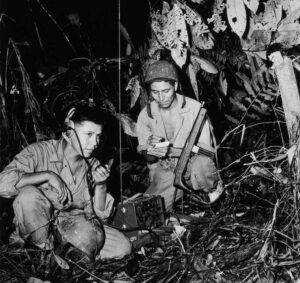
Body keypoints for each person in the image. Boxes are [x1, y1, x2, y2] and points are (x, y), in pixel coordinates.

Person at [0, 102, 131, 260]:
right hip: (39, 224)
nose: (95, 142)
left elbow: (101, 216)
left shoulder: (93, 165)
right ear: (70, 130)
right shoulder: (40, 151)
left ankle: (66, 253)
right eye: (88, 134)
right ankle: (43, 254)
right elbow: (3, 184)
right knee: (28, 195)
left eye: (98, 136)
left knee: (122, 247)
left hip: (74, 224)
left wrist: (101, 185)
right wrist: (48, 175)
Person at [136, 60, 224, 212]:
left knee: (202, 166)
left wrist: (170, 151)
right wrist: (150, 150)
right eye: (155, 92)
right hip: (166, 170)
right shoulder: (146, 114)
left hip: (192, 165)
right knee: (148, 212)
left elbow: (207, 152)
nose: (161, 97)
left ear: (175, 86)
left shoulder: (195, 109)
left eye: (166, 91)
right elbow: (148, 157)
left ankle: (211, 189)